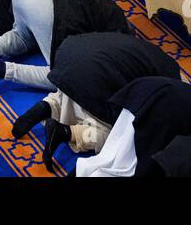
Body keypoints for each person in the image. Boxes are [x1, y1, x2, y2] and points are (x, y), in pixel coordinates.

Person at [11, 32, 181, 167]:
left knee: (71, 91)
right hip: (97, 75)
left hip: (71, 54)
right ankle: (66, 132)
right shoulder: (170, 86)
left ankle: (47, 106)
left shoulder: (155, 56)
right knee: (118, 136)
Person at [0, 0, 130, 95]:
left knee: (22, 35)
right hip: (49, 8)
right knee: (60, 76)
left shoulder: (109, 8)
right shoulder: (118, 31)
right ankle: (1, 69)